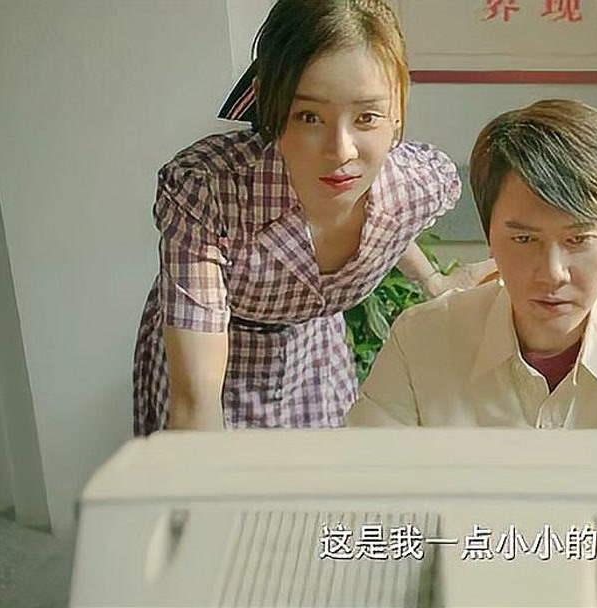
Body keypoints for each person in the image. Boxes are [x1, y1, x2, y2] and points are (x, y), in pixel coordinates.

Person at [133, 0, 493, 435]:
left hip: (316, 354)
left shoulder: (415, 185)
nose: (341, 151)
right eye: (309, 117)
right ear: (272, 105)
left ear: (398, 108)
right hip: (217, 350)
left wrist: (433, 281)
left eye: (366, 117)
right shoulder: (211, 191)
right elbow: (196, 402)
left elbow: (391, 224)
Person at [346, 99, 597, 436]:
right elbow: (366, 491)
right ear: (490, 235)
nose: (553, 272)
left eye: (578, 240)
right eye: (524, 240)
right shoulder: (422, 342)